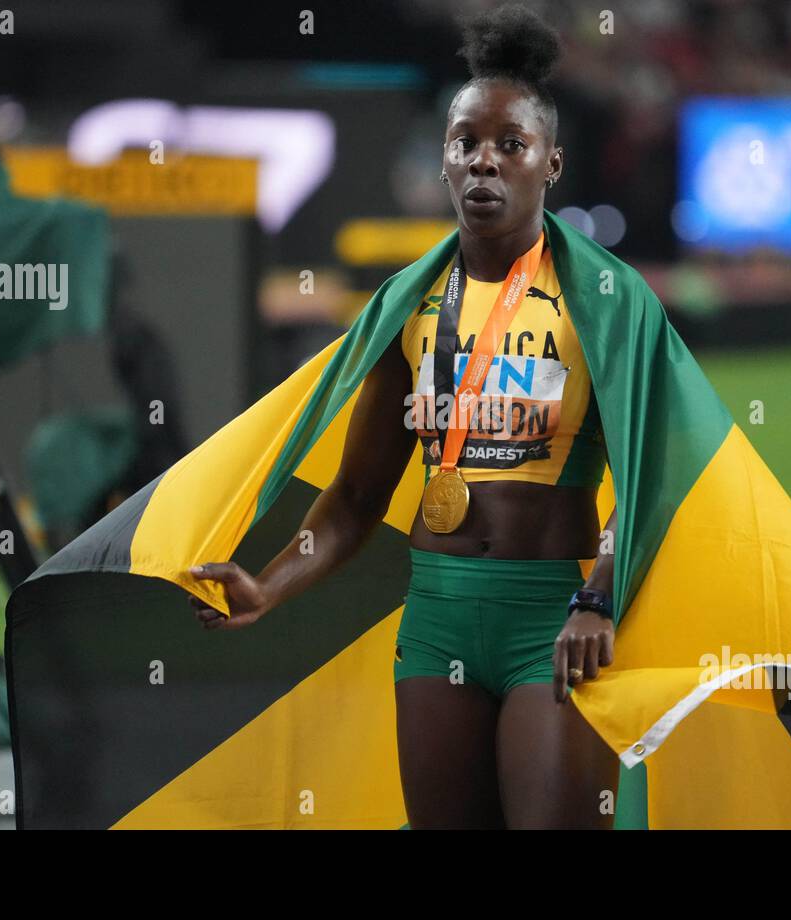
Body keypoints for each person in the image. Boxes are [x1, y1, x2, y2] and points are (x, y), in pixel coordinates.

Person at [187, 5, 621, 829]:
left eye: (510, 145)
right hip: (437, 623)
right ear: (445, 159)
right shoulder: (407, 304)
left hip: (550, 620)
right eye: (466, 143)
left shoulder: (601, 301)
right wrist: (267, 586)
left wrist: (597, 598)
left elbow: (649, 477)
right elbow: (355, 498)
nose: (484, 161)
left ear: (551, 163)